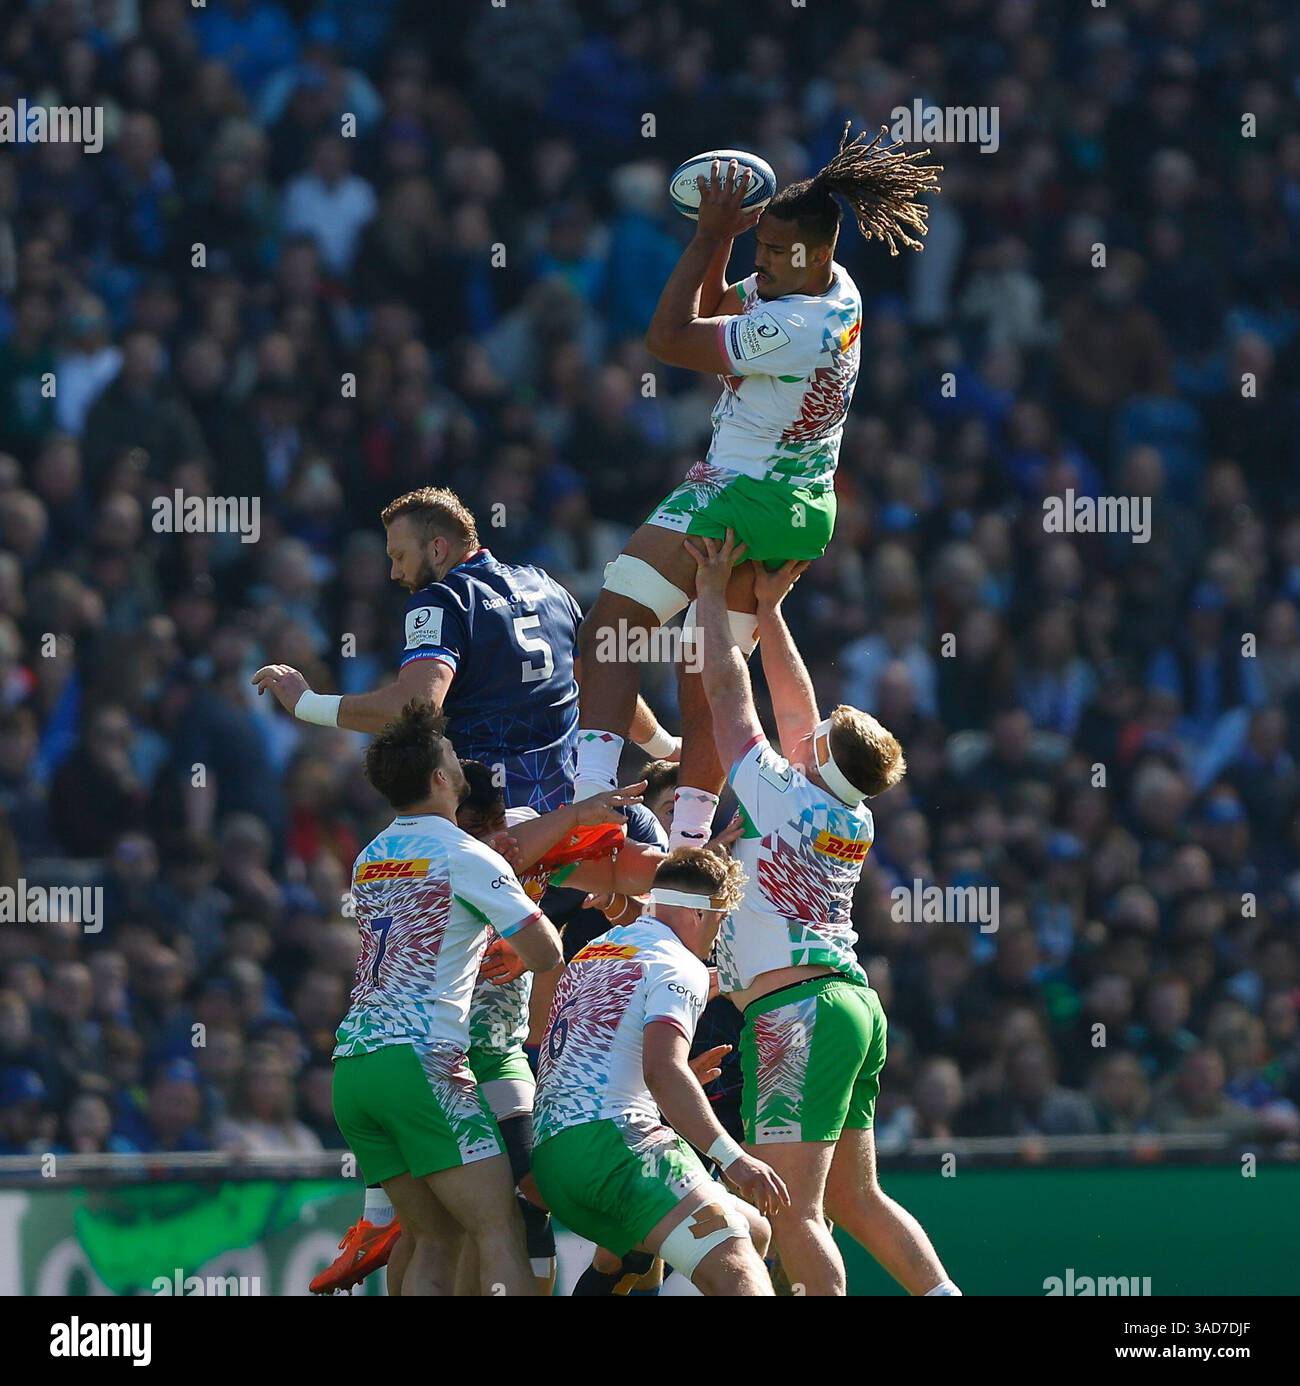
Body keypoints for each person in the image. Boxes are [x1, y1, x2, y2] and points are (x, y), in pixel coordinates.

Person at [572, 131, 941, 856]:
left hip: (744, 492)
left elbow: (669, 337)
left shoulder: (797, 323)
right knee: (704, 665)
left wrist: (706, 236)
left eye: (773, 250)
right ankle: (687, 845)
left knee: (610, 627)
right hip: (797, 507)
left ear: (816, 251)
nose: (761, 261)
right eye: (759, 245)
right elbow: (717, 307)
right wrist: (724, 245)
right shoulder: (825, 289)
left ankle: (586, 806)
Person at [687, 529, 960, 1297]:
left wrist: (715, 597)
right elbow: (798, 715)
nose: (807, 732)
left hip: (796, 1014)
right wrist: (770, 614)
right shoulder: (850, 811)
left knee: (797, 1209)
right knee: (855, 1197)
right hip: (850, 1005)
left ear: (823, 758)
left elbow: (726, 695)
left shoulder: (779, 793)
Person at [329, 701, 564, 1296]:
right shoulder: (466, 853)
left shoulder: (370, 857)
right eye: (451, 756)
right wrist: (520, 952)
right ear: (439, 778)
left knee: (435, 1236)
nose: (460, 762)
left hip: (354, 1067)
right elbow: (546, 952)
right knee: (497, 1229)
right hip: (422, 1062)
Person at [253, 485, 674, 814]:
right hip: (572, 817)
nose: (395, 572)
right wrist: (663, 746)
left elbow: (416, 707)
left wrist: (308, 704)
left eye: (399, 556)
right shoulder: (546, 585)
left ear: (437, 548)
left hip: (499, 831)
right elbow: (603, 690)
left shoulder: (440, 600)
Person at [532, 847, 790, 1296]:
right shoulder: (679, 963)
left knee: (748, 1231)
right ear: (696, 915)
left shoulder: (598, 949)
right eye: (719, 920)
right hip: (613, 1148)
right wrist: (736, 1160)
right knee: (735, 1260)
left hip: (554, 1159)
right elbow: (663, 1070)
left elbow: (604, 1055)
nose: (718, 936)